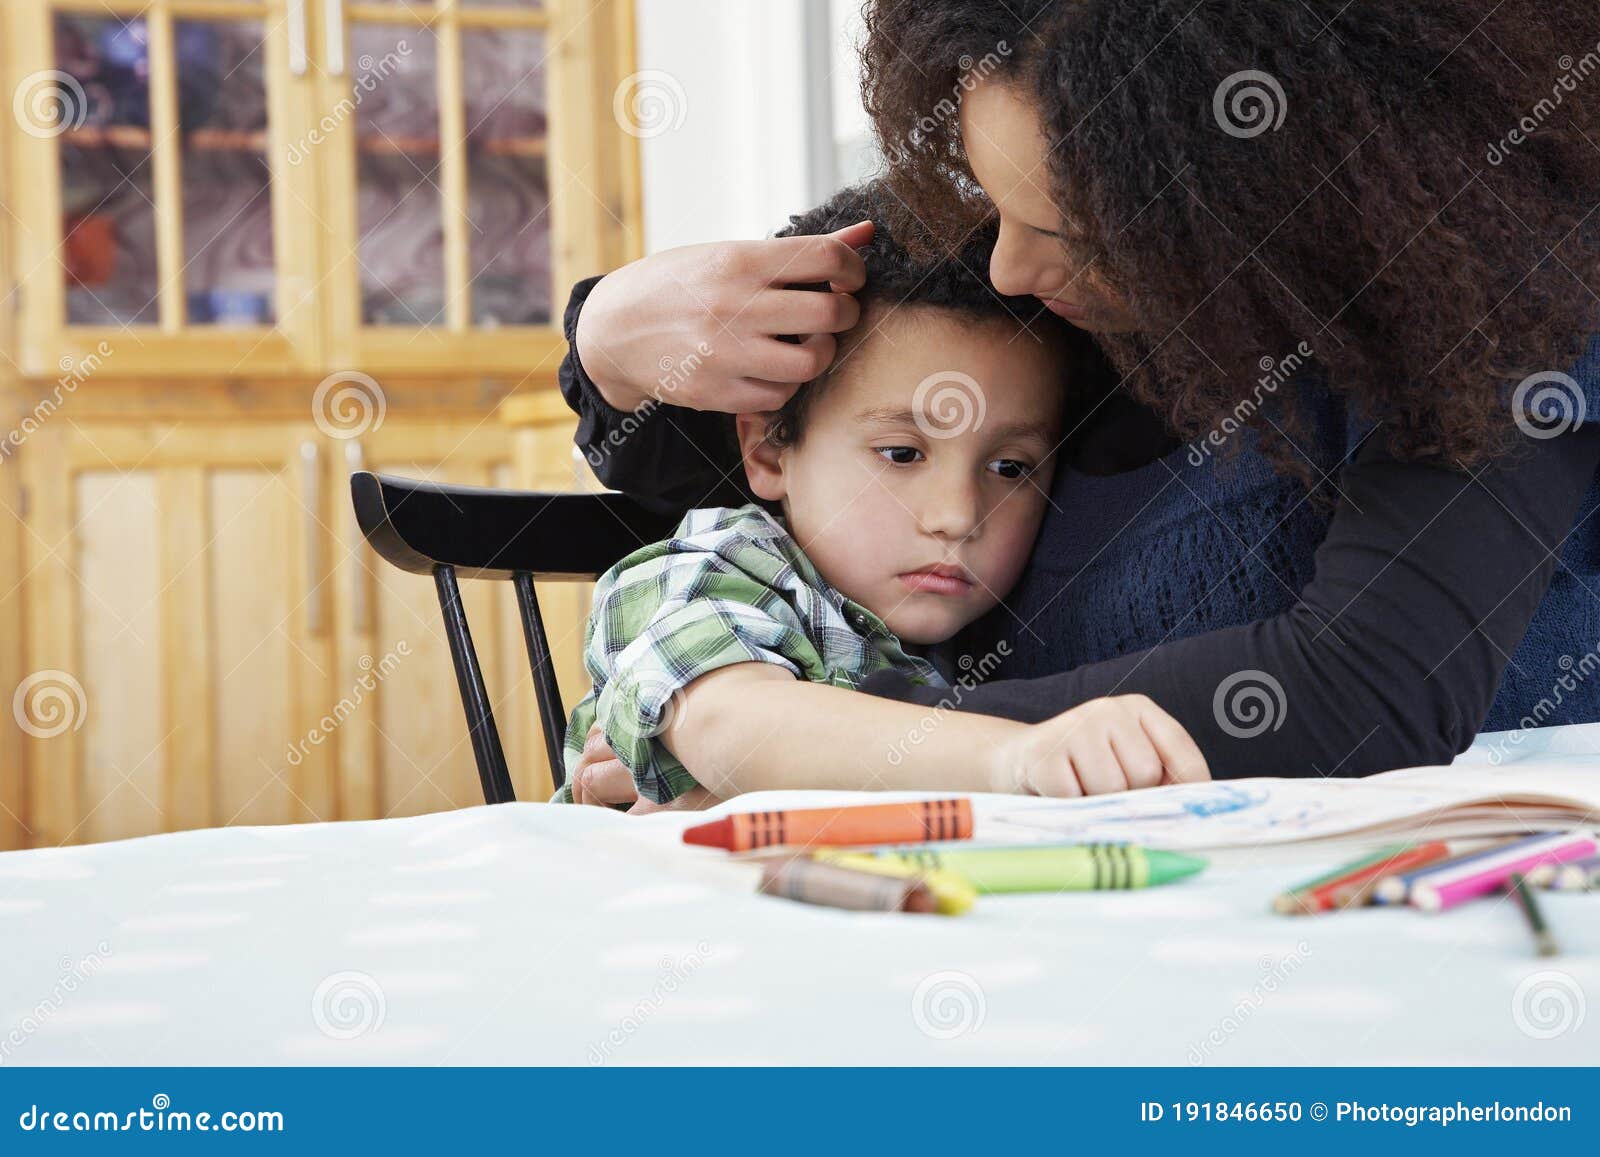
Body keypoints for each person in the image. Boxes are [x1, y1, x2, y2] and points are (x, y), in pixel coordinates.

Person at [560, 0, 1600, 808]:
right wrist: (602, 344)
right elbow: (801, 446)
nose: (1007, 267)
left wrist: (819, 753)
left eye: (1066, 233)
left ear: (1244, 200)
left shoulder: (1493, 314)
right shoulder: (1059, 298)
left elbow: (1368, 686)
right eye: (993, 202)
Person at [555, 184, 1208, 808]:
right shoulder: (714, 567)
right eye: (902, 454)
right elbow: (732, 726)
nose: (957, 516)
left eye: (1010, 467)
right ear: (766, 449)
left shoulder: (979, 631)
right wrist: (1014, 759)